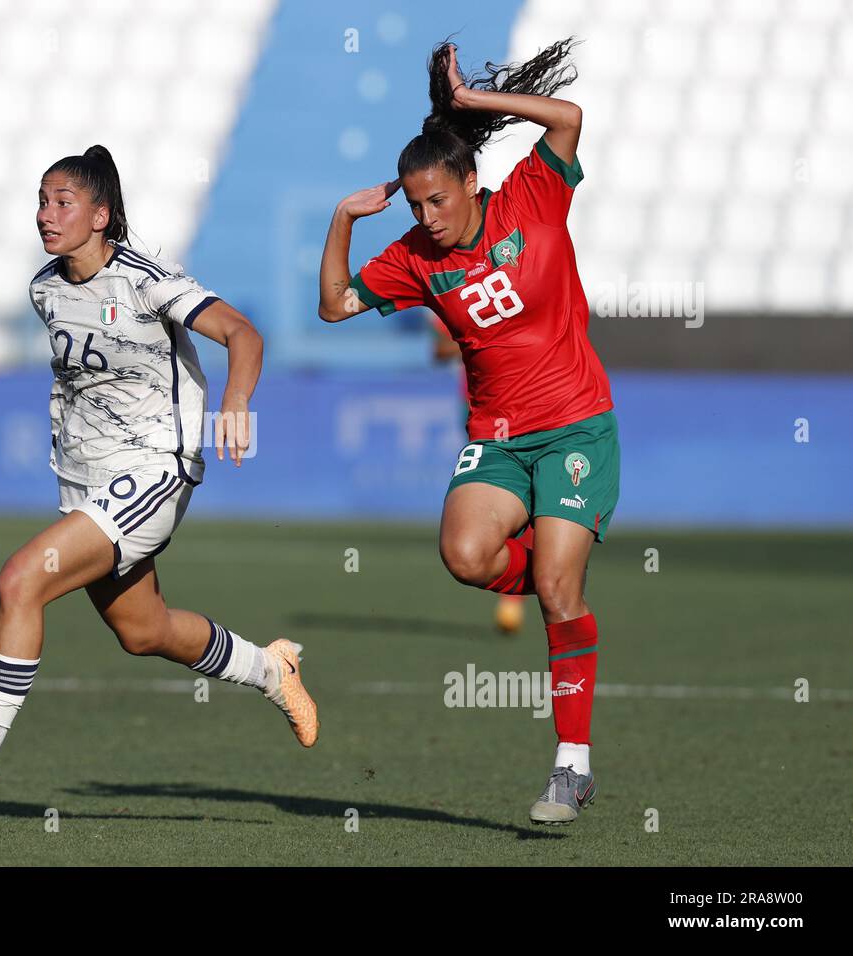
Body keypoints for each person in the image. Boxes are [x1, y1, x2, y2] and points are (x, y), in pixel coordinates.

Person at [0, 145, 318, 802]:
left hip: (157, 468)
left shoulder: (146, 278)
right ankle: (272, 668)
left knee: (20, 580)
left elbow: (243, 333)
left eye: (63, 201)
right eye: (42, 200)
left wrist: (235, 403)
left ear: (101, 214)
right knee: (142, 630)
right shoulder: (45, 288)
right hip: (87, 482)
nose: (46, 214)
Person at [318, 41, 618, 825]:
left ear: (470, 184)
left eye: (438, 202)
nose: (426, 217)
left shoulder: (531, 199)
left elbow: (568, 117)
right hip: (498, 437)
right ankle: (566, 578)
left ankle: (572, 766)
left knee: (552, 590)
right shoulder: (416, 258)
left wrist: (475, 103)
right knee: (465, 556)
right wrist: (342, 221)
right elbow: (336, 306)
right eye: (415, 205)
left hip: (576, 427)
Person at [430, 315, 528, 635]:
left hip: (525, 402)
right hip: (478, 407)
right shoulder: (456, 294)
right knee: (496, 488)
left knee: (530, 490)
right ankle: (533, 572)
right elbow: (439, 351)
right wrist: (471, 341)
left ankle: (519, 595)